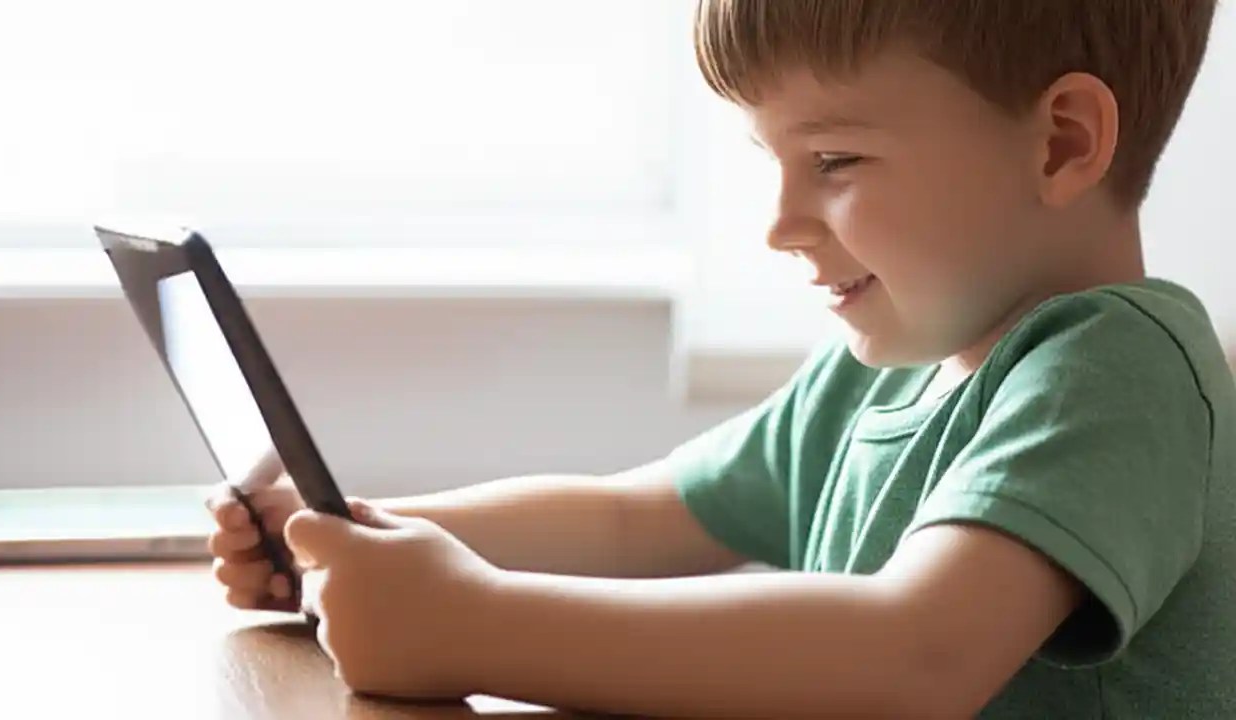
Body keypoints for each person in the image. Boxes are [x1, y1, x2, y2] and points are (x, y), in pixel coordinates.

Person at [205, 1, 1235, 716]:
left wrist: (468, 626)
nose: (780, 226)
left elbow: (915, 652)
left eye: (832, 161)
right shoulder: (878, 372)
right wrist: (349, 540)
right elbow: (635, 517)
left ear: (1058, 143)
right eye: (771, 162)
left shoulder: (1115, 371)